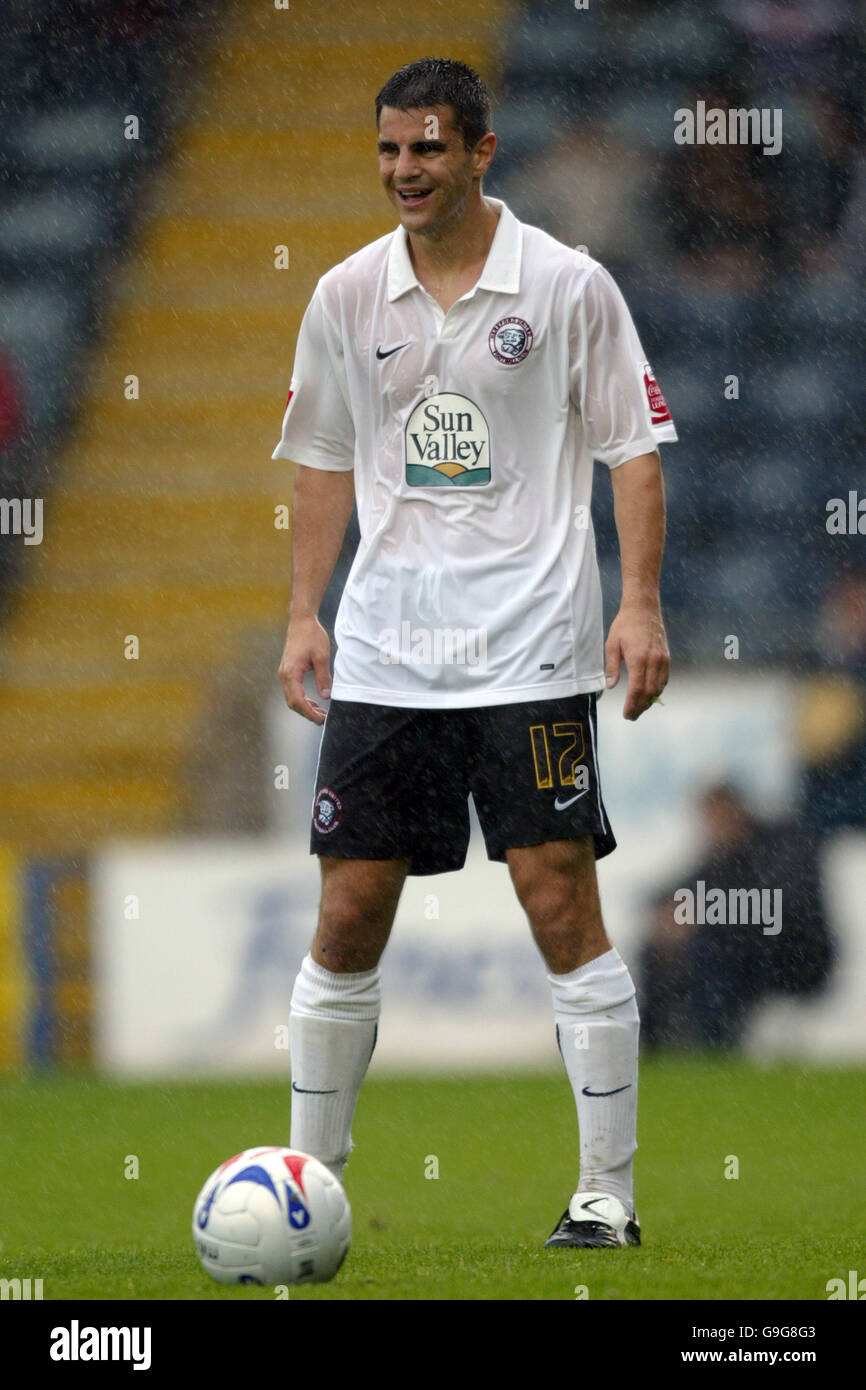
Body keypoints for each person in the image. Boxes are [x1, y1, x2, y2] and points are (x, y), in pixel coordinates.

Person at [273, 58, 677, 1250]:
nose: (405, 170)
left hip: (533, 649)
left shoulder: (564, 284)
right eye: (390, 150)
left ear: (480, 151)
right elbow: (320, 456)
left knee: (559, 900)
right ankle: (307, 1190)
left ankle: (605, 1192)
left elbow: (635, 448)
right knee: (346, 911)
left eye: (428, 149)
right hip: (392, 652)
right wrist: (306, 612)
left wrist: (641, 604)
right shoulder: (347, 294)